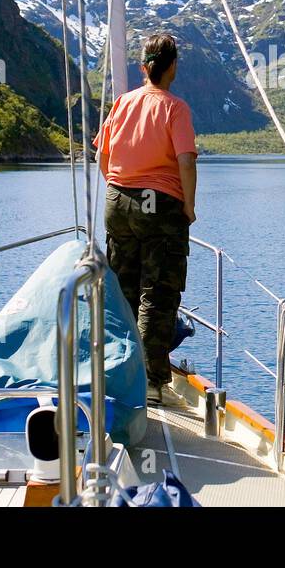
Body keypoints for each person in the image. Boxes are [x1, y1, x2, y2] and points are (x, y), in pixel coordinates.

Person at [94, 32, 198, 407]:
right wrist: (188, 206)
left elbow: (101, 159)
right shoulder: (175, 109)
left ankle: (117, 374)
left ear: (143, 68)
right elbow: (185, 160)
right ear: (172, 67)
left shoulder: (122, 104)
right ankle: (152, 382)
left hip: (117, 200)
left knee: (123, 291)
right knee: (157, 292)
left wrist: (121, 190)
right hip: (161, 206)